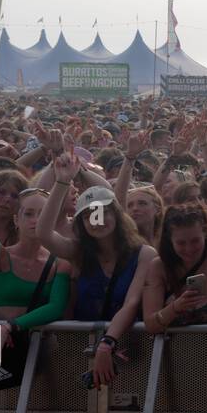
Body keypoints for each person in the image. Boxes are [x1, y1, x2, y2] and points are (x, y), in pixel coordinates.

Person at [36, 150, 157, 387]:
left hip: (131, 351)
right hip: (82, 352)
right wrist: (61, 182)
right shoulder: (79, 253)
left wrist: (107, 342)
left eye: (103, 212)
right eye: (89, 215)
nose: (97, 220)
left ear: (117, 215)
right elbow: (43, 234)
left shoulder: (144, 254)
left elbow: (132, 302)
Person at [0, 166, 72, 336]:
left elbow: (56, 307)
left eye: (43, 214)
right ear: (16, 219)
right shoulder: (0, 257)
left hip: (41, 349)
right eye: (29, 214)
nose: (36, 220)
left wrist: (12, 326)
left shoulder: (60, 263)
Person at [144, 202, 207, 331]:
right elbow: (151, 324)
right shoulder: (159, 266)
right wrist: (175, 308)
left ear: (206, 233)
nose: (189, 248)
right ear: (170, 240)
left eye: (195, 241)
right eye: (181, 243)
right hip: (172, 349)